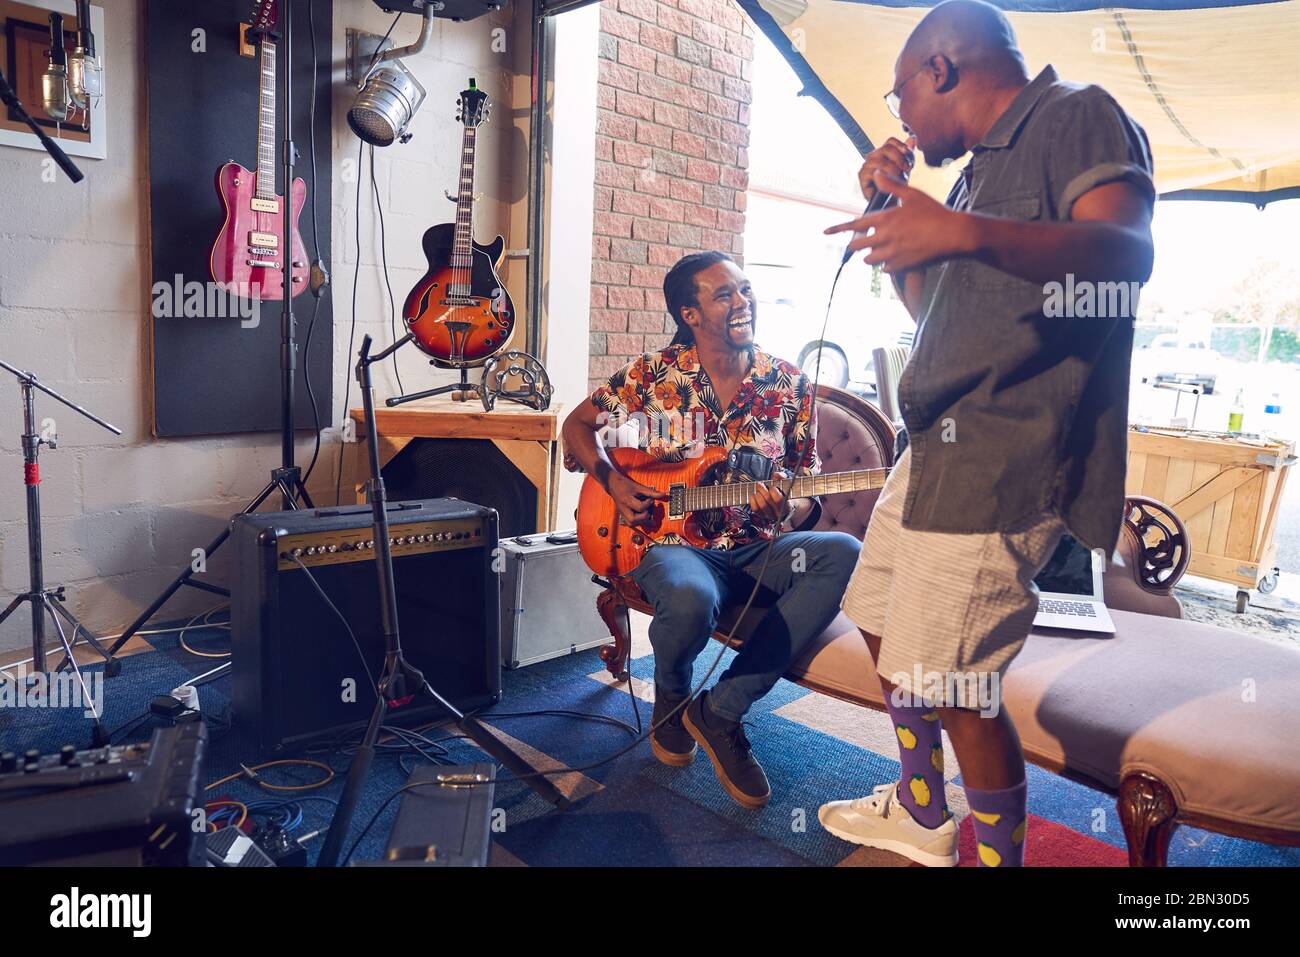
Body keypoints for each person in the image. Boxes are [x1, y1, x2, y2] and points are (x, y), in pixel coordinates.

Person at [816, 0, 1155, 866]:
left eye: (900, 100)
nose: (902, 123)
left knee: (959, 686)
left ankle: (997, 857)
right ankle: (924, 815)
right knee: (886, 631)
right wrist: (908, 222)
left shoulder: (1074, 113)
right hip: (933, 444)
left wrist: (956, 228)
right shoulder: (969, 176)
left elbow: (1125, 256)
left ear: (940, 69)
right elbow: (938, 314)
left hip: (1006, 452)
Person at [562, 251, 860, 808]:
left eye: (747, 290)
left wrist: (783, 509)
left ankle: (721, 709)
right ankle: (672, 696)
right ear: (690, 313)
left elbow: (800, 477)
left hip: (754, 545)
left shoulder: (790, 384)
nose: (743, 302)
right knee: (690, 595)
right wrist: (613, 484)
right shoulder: (653, 374)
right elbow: (577, 426)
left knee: (841, 550)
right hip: (668, 542)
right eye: (725, 295)